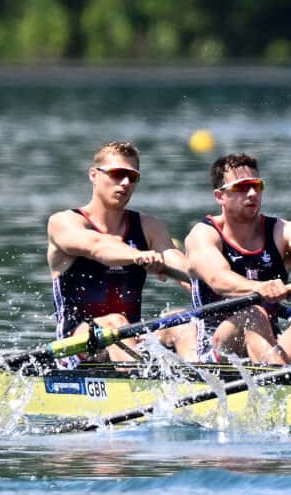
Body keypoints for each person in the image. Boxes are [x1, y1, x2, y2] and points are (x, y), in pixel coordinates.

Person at [183, 154, 291, 365]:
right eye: (242, 187)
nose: (252, 193)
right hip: (216, 352)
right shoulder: (203, 235)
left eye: (256, 185)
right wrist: (260, 287)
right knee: (252, 314)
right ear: (220, 196)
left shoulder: (280, 230)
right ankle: (280, 387)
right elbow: (218, 279)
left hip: (268, 345)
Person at [46, 141, 192, 362]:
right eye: (117, 174)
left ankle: (203, 382)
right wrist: (137, 255)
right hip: (77, 349)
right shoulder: (64, 222)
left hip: (129, 339)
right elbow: (96, 246)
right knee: (115, 322)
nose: (124, 183)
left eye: (132, 177)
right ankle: (137, 381)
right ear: (93, 175)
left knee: (183, 321)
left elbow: (178, 264)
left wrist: (213, 285)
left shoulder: (150, 227)